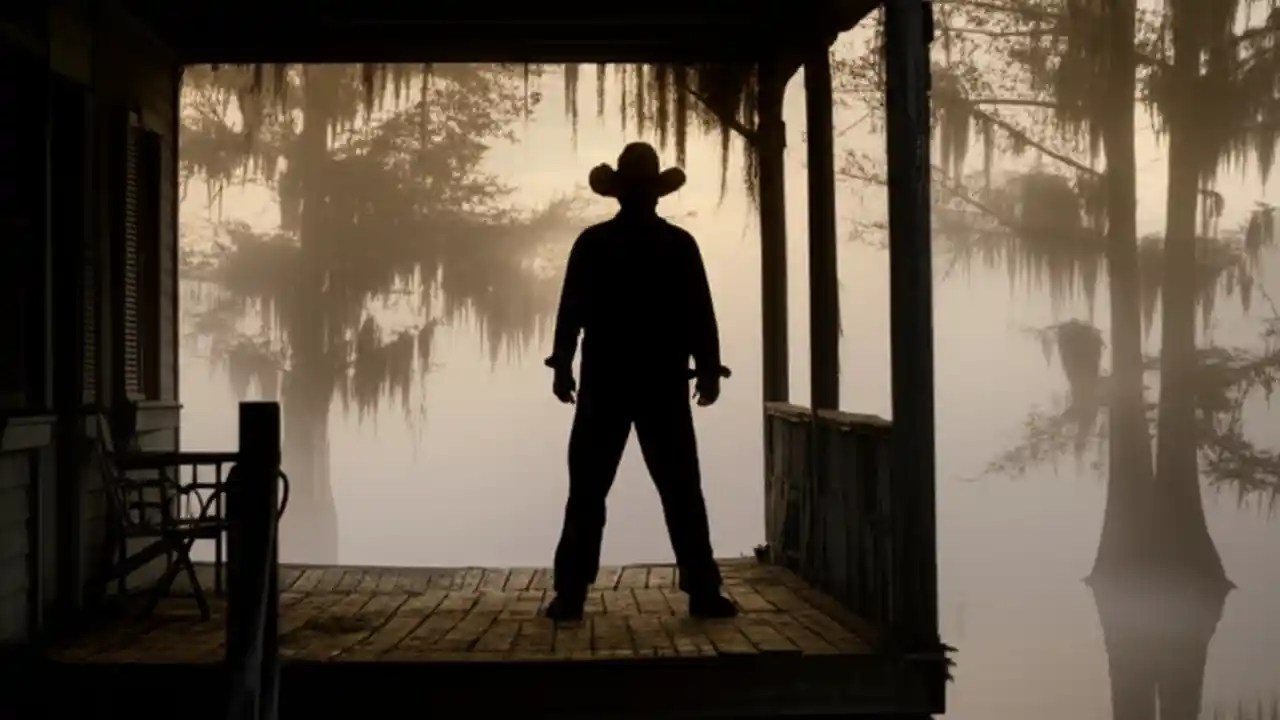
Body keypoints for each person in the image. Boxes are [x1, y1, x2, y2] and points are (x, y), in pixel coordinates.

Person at [542, 142, 737, 622]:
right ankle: (702, 591)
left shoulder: (593, 244)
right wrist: (708, 369)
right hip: (660, 382)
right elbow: (700, 315)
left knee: (589, 490)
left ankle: (570, 594)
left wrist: (565, 363)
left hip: (608, 382)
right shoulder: (678, 245)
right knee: (680, 490)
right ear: (654, 195)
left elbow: (571, 312)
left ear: (620, 194)